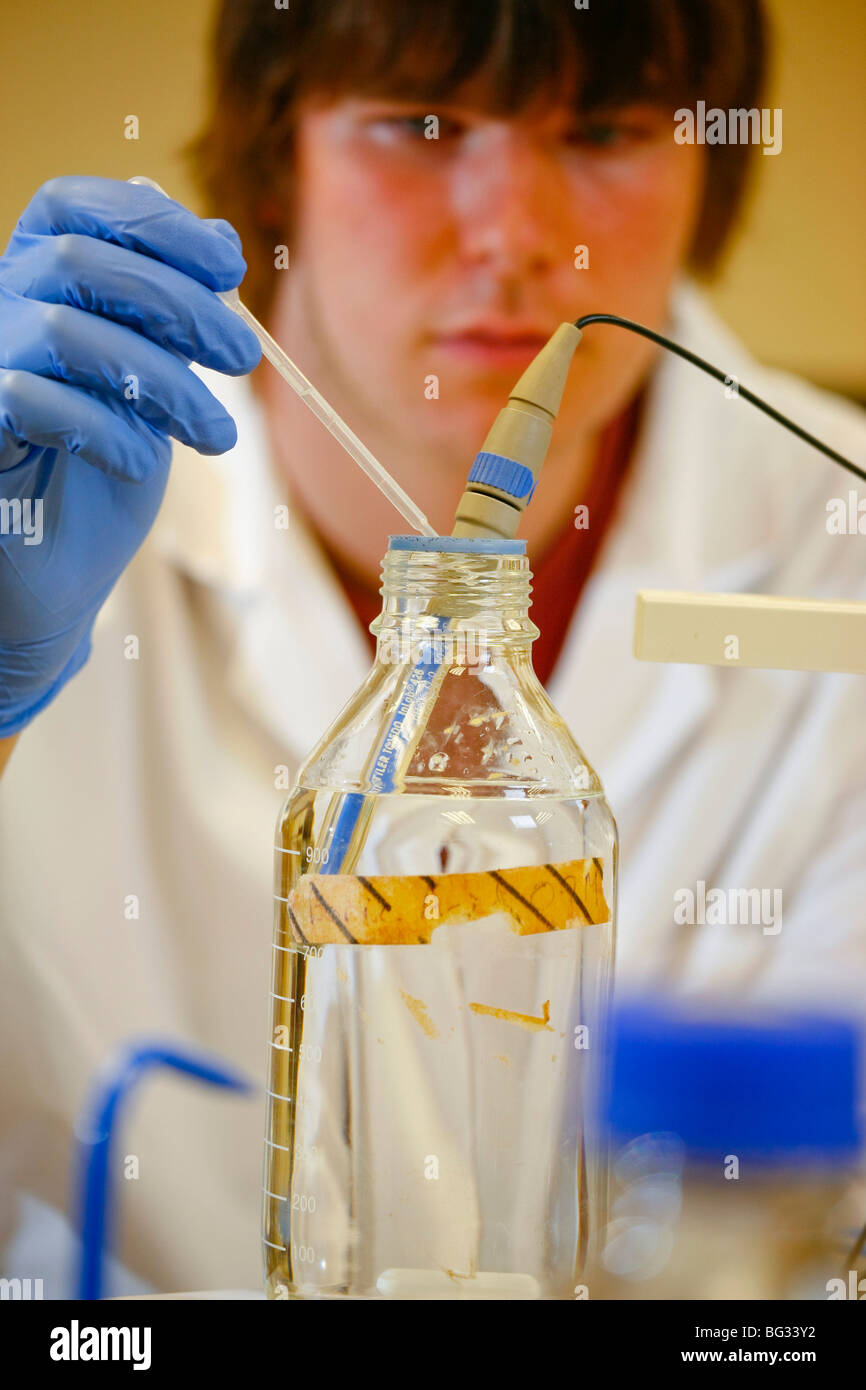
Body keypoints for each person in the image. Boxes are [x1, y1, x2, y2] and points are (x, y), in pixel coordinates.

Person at [1, 0, 863, 1296]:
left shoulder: (832, 542)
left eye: (605, 128)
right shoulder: (46, 504)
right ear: (276, 150)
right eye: (419, 122)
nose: (511, 233)